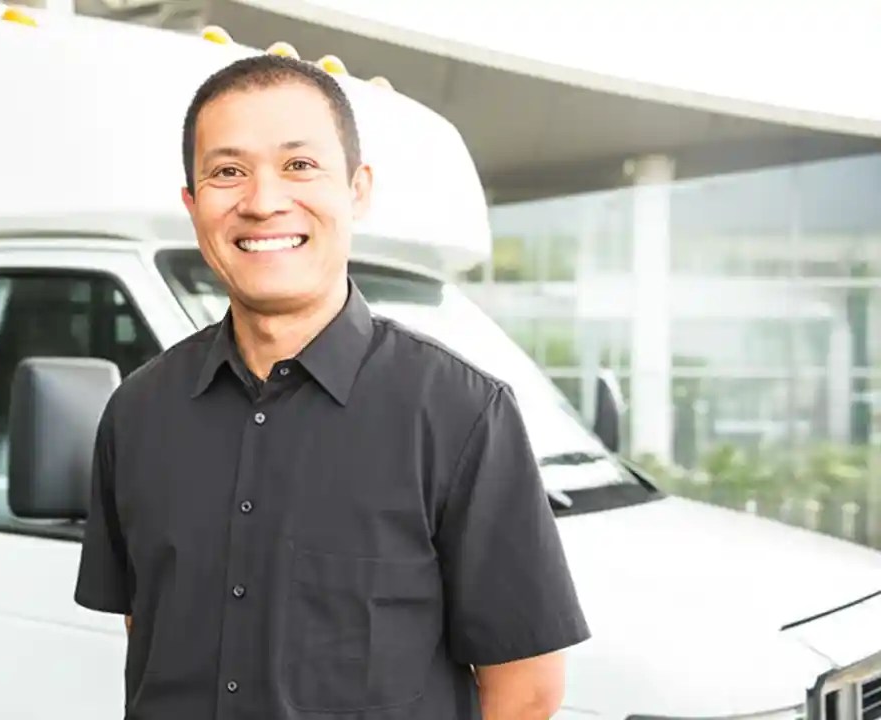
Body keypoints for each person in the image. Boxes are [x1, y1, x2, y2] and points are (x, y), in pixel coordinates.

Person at [74, 53, 591, 720]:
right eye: (227, 171)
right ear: (192, 203)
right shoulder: (138, 414)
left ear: (357, 188)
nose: (262, 201)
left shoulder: (461, 413)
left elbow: (525, 693)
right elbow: (146, 633)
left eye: (299, 165)